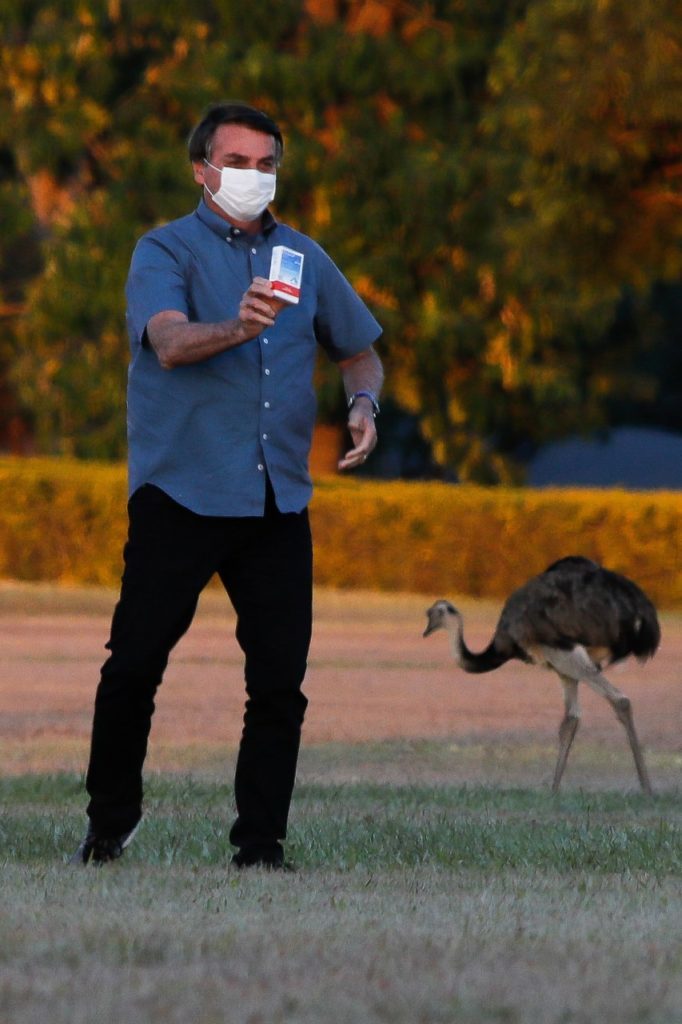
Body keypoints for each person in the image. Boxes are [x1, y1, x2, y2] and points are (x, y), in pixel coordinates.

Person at [70, 102, 383, 869]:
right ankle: (109, 824)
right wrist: (238, 329)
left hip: (277, 501)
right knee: (134, 665)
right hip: (181, 491)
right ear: (202, 170)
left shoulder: (304, 257)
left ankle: (260, 847)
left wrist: (363, 402)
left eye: (266, 163)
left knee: (279, 683)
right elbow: (170, 343)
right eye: (237, 162)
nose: (253, 177)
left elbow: (360, 349)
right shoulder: (162, 250)